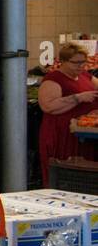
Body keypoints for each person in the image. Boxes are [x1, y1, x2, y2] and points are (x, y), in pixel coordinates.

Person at [37, 41, 98, 181]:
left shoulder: (85, 75)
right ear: (63, 61)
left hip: (84, 135)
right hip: (61, 136)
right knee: (65, 176)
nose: (81, 66)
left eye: (83, 61)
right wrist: (78, 98)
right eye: (76, 62)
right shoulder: (52, 79)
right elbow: (48, 106)